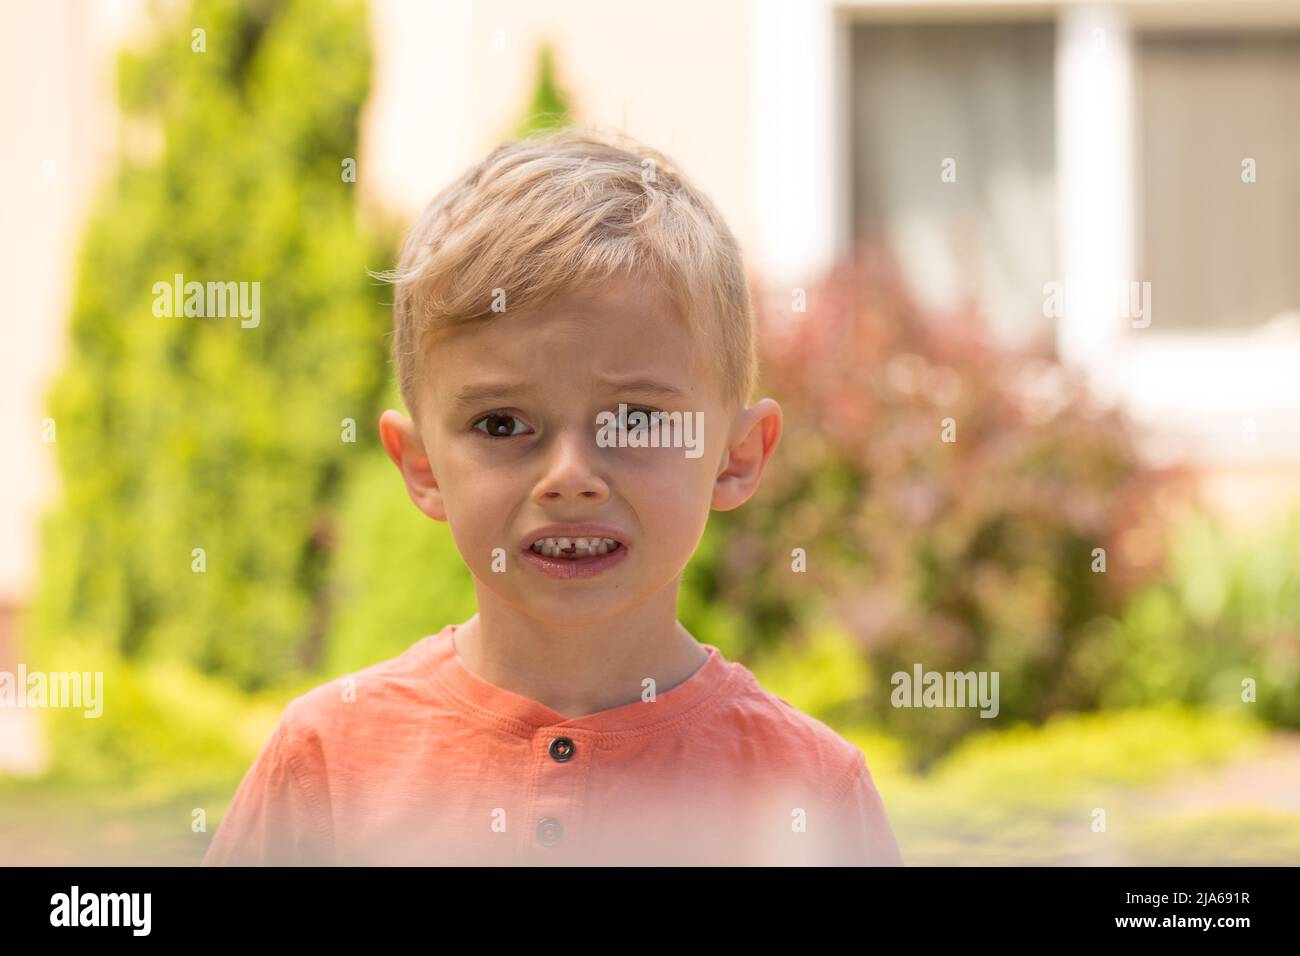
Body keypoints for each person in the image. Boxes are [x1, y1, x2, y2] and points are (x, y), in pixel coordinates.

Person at [201, 126, 903, 867]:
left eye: (635, 419)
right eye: (502, 423)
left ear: (735, 456)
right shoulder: (326, 762)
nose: (570, 474)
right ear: (422, 466)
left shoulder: (811, 792)